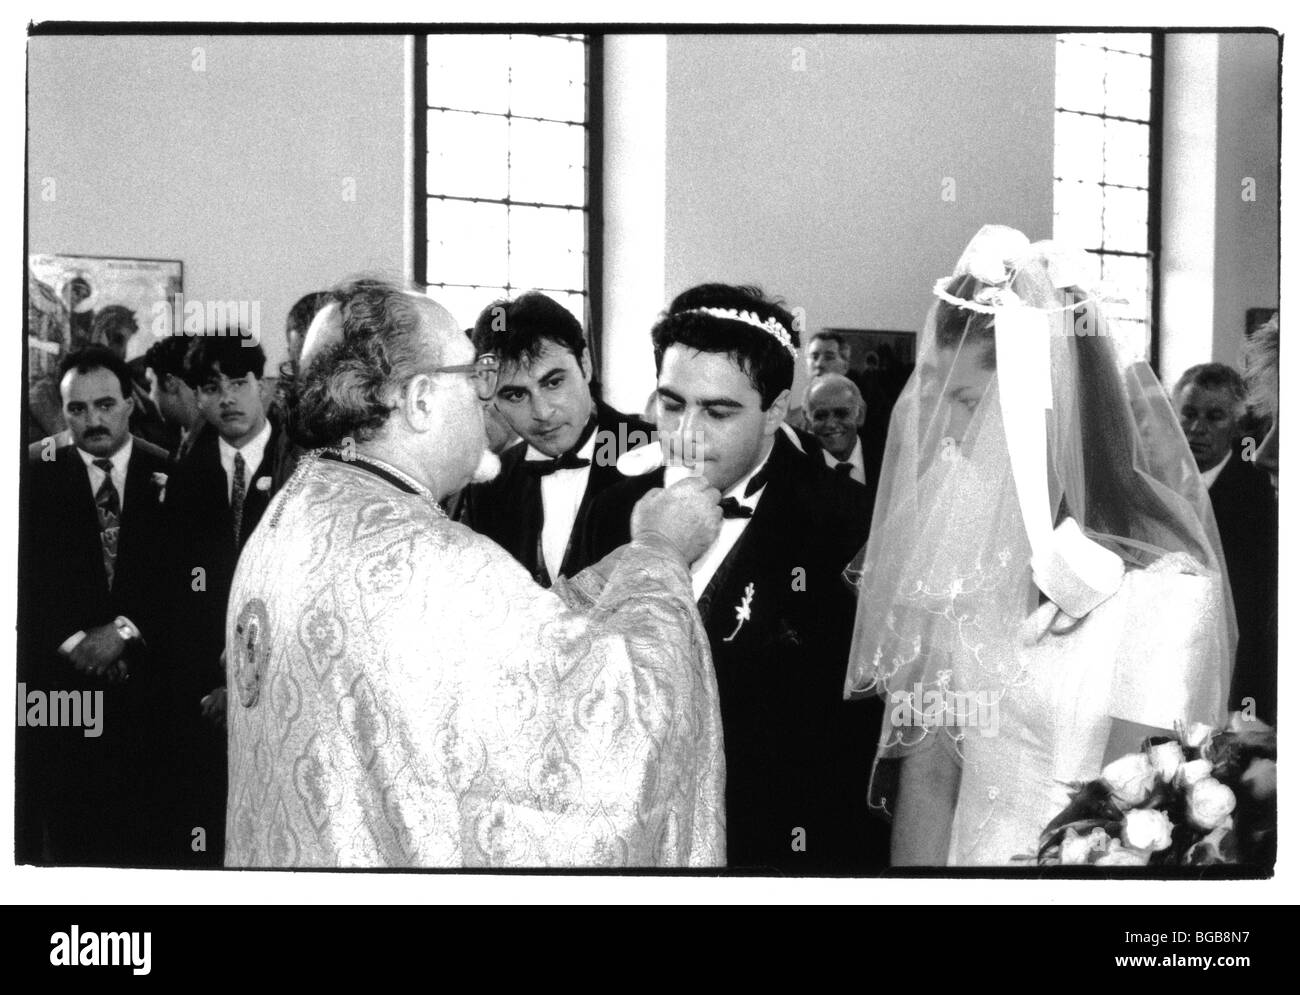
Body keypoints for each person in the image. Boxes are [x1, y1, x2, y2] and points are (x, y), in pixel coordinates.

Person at [223, 276, 725, 868]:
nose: (490, 400)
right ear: (420, 401)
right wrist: (663, 548)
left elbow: (527, 631)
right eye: (475, 375)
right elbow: (620, 729)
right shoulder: (433, 562)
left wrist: (627, 562)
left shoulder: (293, 512)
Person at [845, 226, 1234, 866]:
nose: (942, 428)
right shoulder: (958, 548)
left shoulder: (1168, 588)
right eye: (937, 393)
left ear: (1044, 409)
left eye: (967, 401)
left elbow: (1128, 822)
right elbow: (932, 772)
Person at [577, 283, 887, 873]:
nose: (687, 433)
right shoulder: (615, 509)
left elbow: (850, 740)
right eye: (672, 405)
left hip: (774, 851)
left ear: (775, 411)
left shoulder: (846, 523)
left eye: (718, 412)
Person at [18, 347, 173, 865]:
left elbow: (187, 580)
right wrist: (77, 644)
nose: (93, 420)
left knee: (149, 852)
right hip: (61, 705)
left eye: (105, 404)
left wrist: (124, 631)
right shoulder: (30, 474)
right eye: (76, 409)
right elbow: (22, 581)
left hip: (148, 707)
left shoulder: (170, 472)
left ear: (131, 403)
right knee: (68, 851)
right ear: (62, 411)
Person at [162, 328, 283, 865]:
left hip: (284, 689)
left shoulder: (303, 466)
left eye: (240, 382)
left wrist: (245, 681)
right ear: (197, 397)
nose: (228, 398)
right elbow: (175, 594)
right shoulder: (185, 472)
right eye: (212, 388)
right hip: (204, 699)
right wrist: (215, 683)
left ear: (266, 387)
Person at [457, 291, 654, 585]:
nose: (542, 412)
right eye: (516, 394)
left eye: (553, 382)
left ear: (585, 364)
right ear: (493, 400)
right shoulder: (488, 488)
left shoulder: (658, 455)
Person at [1173, 362, 1278, 725]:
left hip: (1237, 672)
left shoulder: (1262, 493)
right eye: (1188, 414)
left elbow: (1258, 611)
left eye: (1214, 417)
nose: (1196, 428)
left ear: (1235, 424)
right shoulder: (1160, 485)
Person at [805, 372, 882, 497]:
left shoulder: (887, 462)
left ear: (860, 415)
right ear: (808, 421)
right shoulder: (796, 471)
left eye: (841, 413)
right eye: (821, 416)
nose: (831, 424)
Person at [143, 334, 205, 461]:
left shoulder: (206, 443)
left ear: (170, 383)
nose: (150, 396)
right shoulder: (192, 436)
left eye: (151, 384)